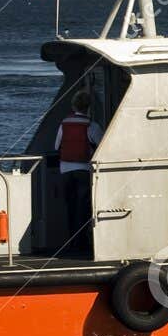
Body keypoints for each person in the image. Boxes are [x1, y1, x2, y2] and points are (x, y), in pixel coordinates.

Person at [54, 90, 104, 253]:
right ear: (88, 106)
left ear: (73, 105)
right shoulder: (91, 125)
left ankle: (71, 242)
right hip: (84, 170)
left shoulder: (64, 123)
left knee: (70, 206)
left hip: (65, 169)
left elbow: (56, 146)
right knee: (83, 208)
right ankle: (82, 242)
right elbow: (102, 146)